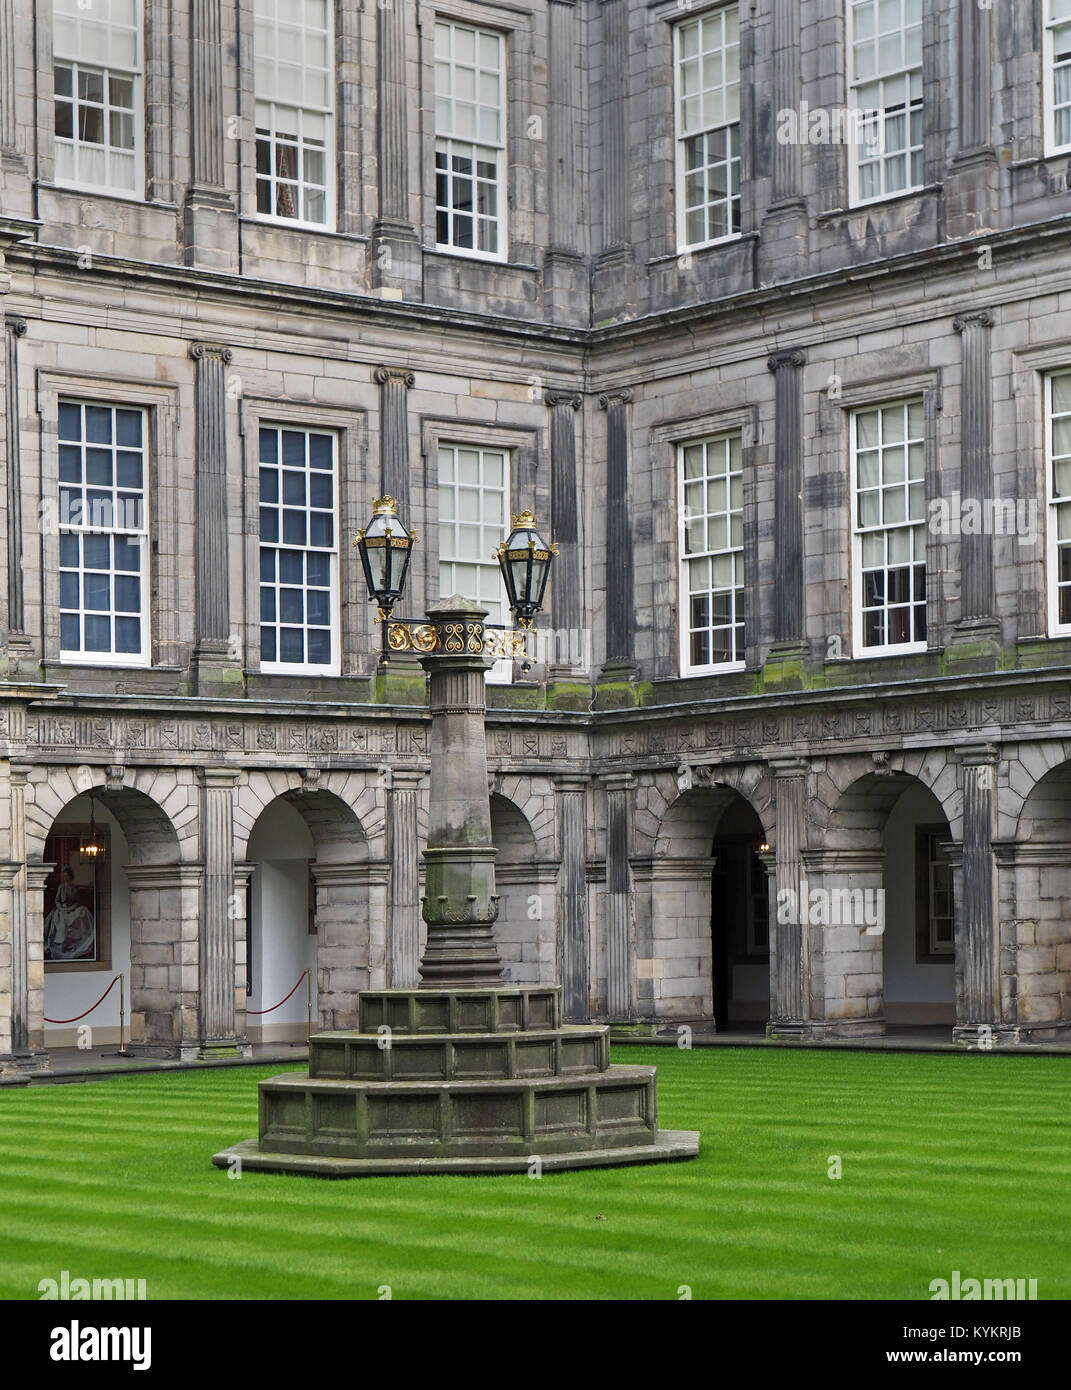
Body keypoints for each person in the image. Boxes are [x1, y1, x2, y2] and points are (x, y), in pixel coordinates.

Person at [44, 866, 95, 961]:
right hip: (62, 909)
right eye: (64, 876)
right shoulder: (61, 888)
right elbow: (57, 900)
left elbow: (77, 901)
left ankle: (77, 942)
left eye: (67, 876)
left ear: (70, 877)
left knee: (82, 912)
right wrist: (62, 909)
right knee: (61, 919)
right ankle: (61, 943)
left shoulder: (74, 888)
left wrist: (71, 908)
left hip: (72, 908)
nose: (66, 878)